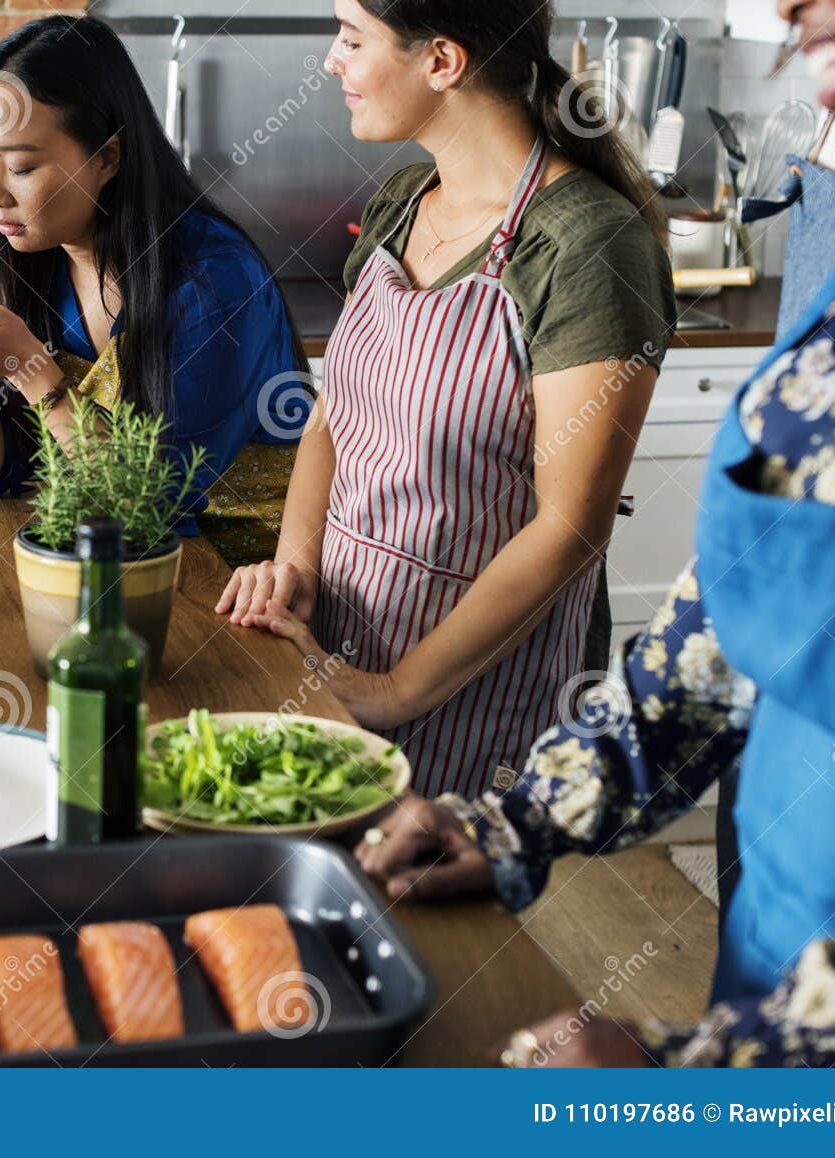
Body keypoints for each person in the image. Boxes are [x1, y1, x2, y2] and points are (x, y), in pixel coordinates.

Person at [355, 0, 835, 1067]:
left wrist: (707, 1077)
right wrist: (516, 820)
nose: (785, 5)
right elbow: (732, 619)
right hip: (773, 965)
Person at [217, 0, 676, 798]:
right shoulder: (403, 199)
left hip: (475, 690)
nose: (332, 61)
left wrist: (396, 690)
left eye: (352, 39)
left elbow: (570, 527)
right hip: (332, 645)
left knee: (441, 914)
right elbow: (335, 416)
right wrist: (295, 569)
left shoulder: (587, 247)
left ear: (442, 61)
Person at [0, 15, 308, 542]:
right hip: (111, 561)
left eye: (21, 168)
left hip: (238, 579)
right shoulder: (33, 258)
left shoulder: (214, 280)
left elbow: (146, 508)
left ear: (106, 156)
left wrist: (28, 367)